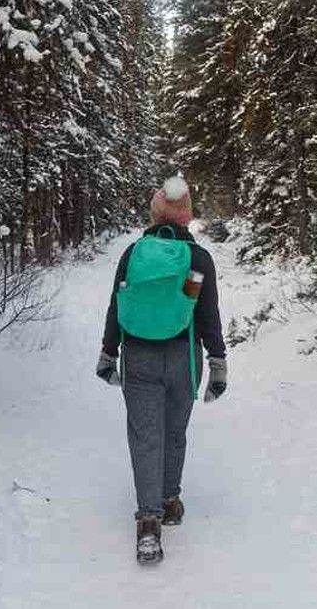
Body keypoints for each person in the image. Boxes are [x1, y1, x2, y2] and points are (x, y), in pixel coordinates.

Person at [95, 177, 227, 565]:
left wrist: (108, 352)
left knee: (144, 435)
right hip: (184, 355)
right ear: (187, 215)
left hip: (137, 355)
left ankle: (148, 523)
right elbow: (208, 314)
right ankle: (169, 500)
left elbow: (117, 306)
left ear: (154, 213)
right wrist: (218, 363)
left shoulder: (134, 253)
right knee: (174, 431)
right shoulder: (198, 258)